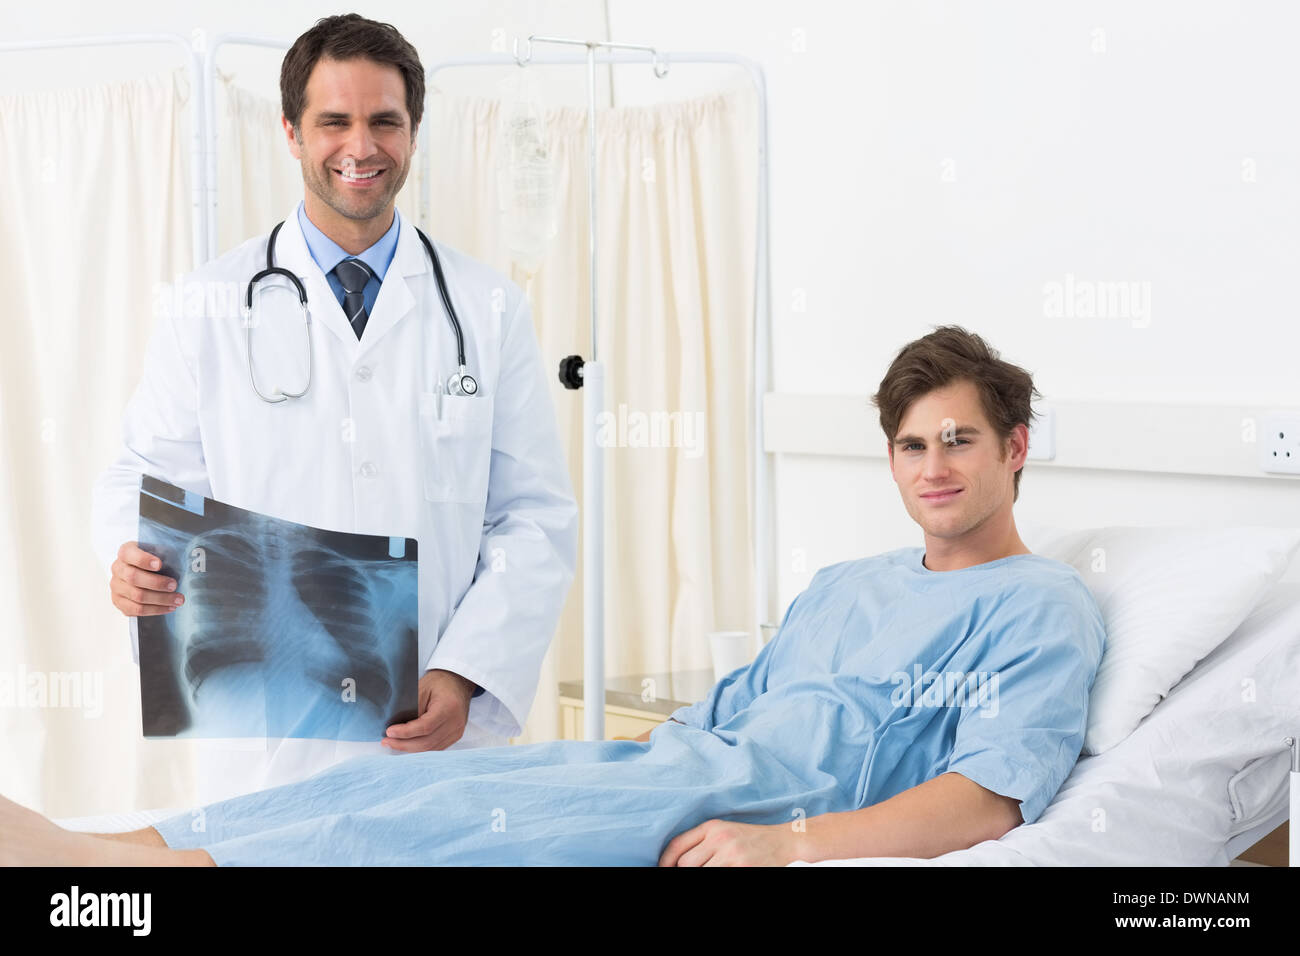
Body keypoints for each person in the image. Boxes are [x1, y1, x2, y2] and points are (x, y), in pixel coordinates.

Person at [11, 326, 1105, 866]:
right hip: (666, 764)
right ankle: (130, 850)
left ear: (1014, 447)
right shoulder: (843, 585)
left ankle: (129, 870)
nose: (934, 465)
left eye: (960, 439)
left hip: (750, 804)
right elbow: (721, 710)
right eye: (912, 444)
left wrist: (796, 843)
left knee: (434, 825)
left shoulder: (1039, 604)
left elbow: (991, 795)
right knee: (406, 788)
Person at [89, 14, 577, 801]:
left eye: (385, 121)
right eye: (334, 121)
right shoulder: (209, 304)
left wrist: (465, 671)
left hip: (431, 734)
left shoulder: (487, 309)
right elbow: (142, 476)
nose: (362, 146)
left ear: (414, 132)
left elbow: (534, 517)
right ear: (290, 132)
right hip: (266, 740)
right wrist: (129, 556)